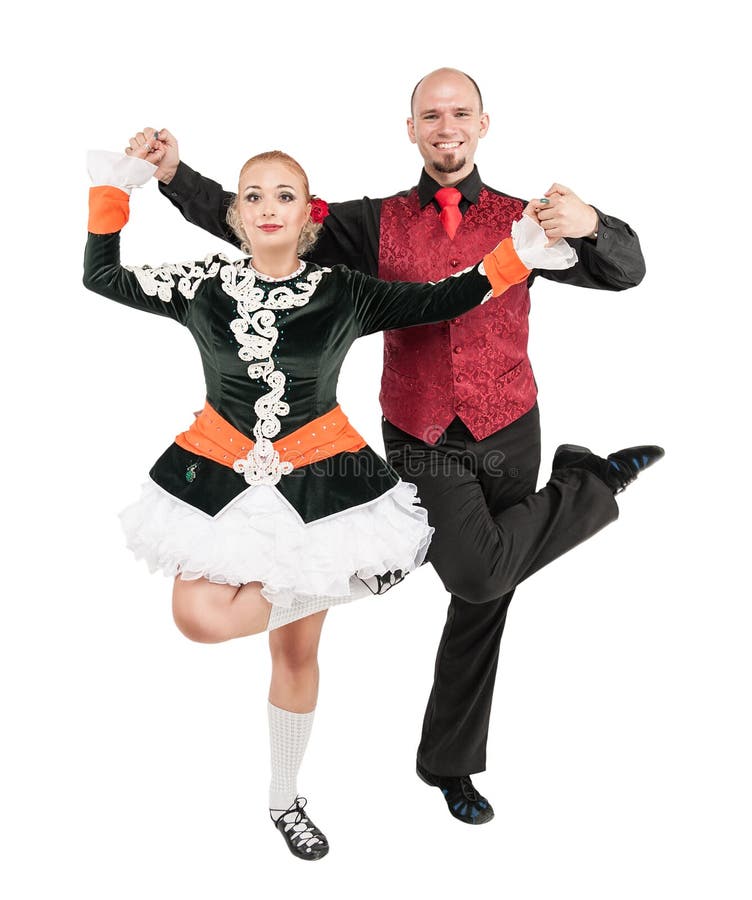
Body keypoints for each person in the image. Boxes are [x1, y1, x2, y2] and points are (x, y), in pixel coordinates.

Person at [122, 68, 654, 829]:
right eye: (430, 115)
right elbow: (263, 219)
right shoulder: (369, 224)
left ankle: (449, 765)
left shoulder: (523, 219)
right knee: (472, 570)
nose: (446, 126)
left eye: (460, 113)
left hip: (509, 423)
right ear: (411, 129)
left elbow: (625, 273)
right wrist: (175, 175)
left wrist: (592, 220)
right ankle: (591, 485)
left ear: (483, 124)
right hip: (421, 431)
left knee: (486, 595)